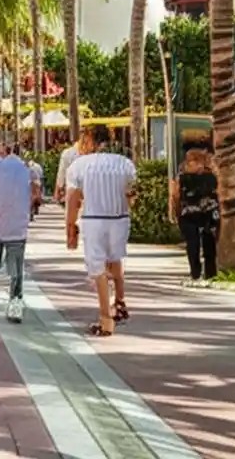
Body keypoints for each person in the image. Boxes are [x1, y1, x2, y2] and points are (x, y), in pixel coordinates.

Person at [64, 125, 136, 337]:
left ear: (89, 141)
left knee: (98, 269)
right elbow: (132, 194)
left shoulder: (79, 166)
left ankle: (106, 320)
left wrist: (70, 227)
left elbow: (73, 199)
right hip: (120, 218)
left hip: (94, 220)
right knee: (116, 259)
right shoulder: (125, 164)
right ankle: (120, 302)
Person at [0, 145, 39, 323]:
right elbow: (36, 193)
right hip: (16, 225)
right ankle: (15, 303)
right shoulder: (28, 168)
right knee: (15, 269)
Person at [171, 141, 219, 287]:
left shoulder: (184, 176)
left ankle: (199, 272)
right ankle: (205, 273)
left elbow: (175, 195)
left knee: (198, 243)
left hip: (196, 213)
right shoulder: (211, 176)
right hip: (203, 213)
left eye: (192, 160)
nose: (189, 163)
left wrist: (177, 211)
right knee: (203, 242)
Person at [26, 154, 44, 222]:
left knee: (31, 202)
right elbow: (39, 178)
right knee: (32, 201)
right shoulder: (35, 168)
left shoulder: (32, 169)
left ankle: (31, 214)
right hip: (32, 186)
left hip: (30, 186)